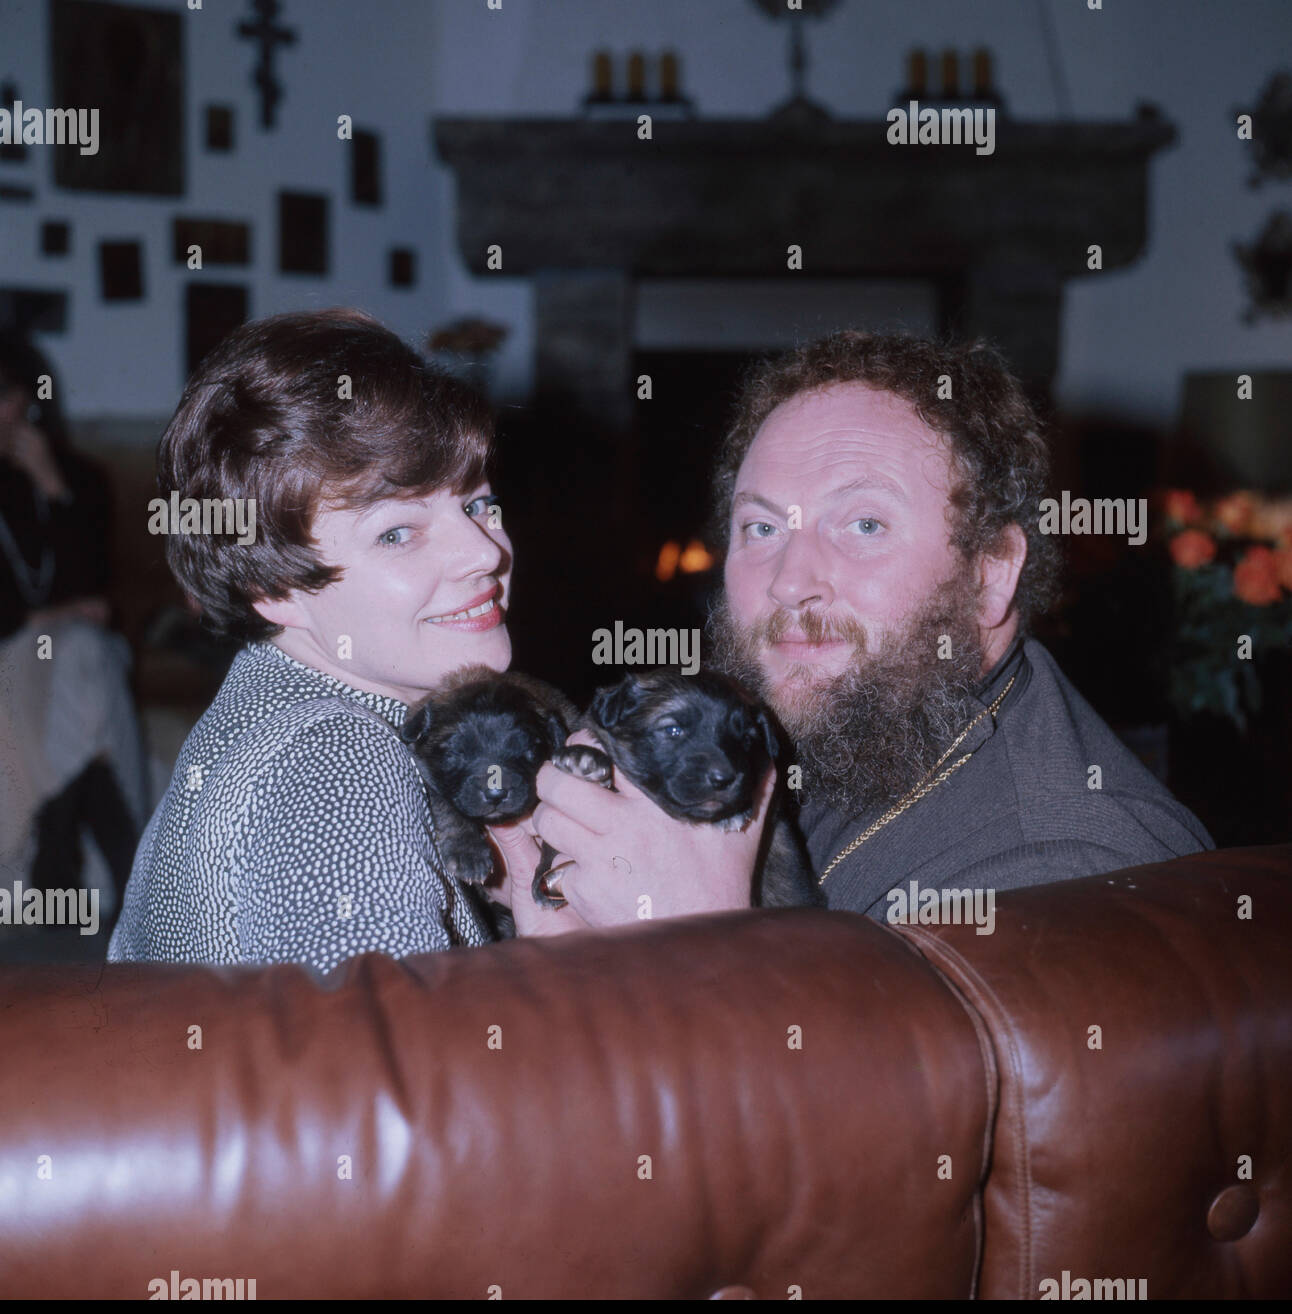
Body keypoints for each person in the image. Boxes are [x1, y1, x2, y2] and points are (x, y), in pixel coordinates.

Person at [105, 308, 764, 971]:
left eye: (478, 504)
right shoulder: (336, 757)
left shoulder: (253, 716)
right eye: (397, 532)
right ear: (272, 589)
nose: (483, 552)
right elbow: (380, 1070)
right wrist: (673, 943)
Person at [533, 331, 1212, 924]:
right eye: (762, 527)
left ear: (992, 571)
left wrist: (698, 939)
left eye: (864, 524)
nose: (791, 580)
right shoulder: (839, 733)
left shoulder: (1069, 873)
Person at [0, 333, 144, 925]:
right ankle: (121, 844)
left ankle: (53, 844)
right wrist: (45, 617)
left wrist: (52, 488)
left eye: (1, 395)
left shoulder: (82, 480)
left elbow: (97, 593)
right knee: (85, 652)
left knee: (86, 651)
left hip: (67, 658)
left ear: (30, 401)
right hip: (9, 653)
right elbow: (68, 606)